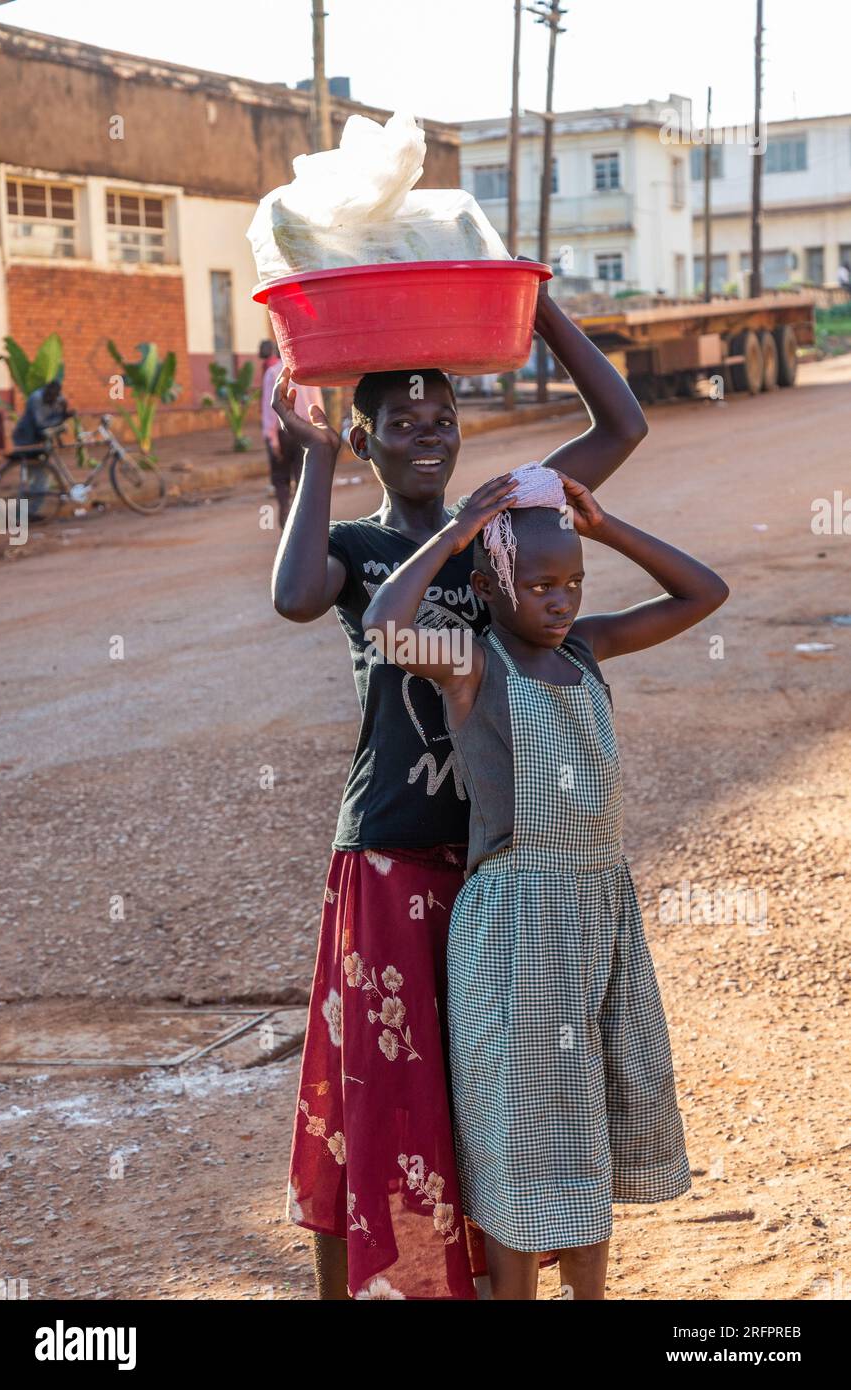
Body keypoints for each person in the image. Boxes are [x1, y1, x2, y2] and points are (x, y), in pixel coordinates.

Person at [271, 281, 650, 1301]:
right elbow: (294, 597)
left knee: (487, 1089)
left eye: (443, 418)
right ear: (368, 440)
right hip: (391, 849)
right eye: (401, 421)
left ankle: (482, 1275)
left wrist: (541, 308)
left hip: (495, 873)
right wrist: (309, 458)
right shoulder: (362, 549)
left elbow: (621, 423)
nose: (428, 435)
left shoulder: (508, 521)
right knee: (383, 1093)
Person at [360, 464, 729, 1300]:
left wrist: (607, 527)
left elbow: (705, 593)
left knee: (593, 1111)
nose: (560, 601)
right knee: (523, 1131)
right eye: (539, 586)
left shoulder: (588, 649)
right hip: (519, 922)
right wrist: (456, 535)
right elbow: (386, 627)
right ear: (489, 587)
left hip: (600, 910)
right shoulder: (472, 668)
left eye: (573, 583)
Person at [259, 339, 324, 527]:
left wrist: (271, 439)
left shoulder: (272, 373)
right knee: (302, 479)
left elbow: (269, 408)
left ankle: (285, 514)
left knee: (281, 480)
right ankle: (299, 523)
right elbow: (316, 406)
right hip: (304, 432)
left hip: (282, 434)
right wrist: (319, 434)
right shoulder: (307, 374)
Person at [11, 379, 74, 519]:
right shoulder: (36, 398)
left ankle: (25, 512)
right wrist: (61, 418)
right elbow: (41, 424)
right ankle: (25, 514)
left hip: (40, 442)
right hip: (27, 441)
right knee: (39, 478)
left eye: (54, 396)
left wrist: (64, 413)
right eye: (49, 396)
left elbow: (56, 419)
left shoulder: (59, 399)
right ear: (45, 391)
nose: (51, 399)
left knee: (39, 478)